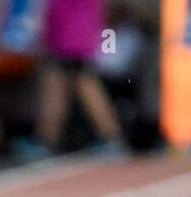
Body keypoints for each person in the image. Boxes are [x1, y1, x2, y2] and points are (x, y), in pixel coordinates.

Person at [34, 0, 125, 154]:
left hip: (68, 41)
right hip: (78, 39)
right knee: (79, 88)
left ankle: (46, 140)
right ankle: (111, 137)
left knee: (60, 89)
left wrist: (47, 39)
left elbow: (57, 13)